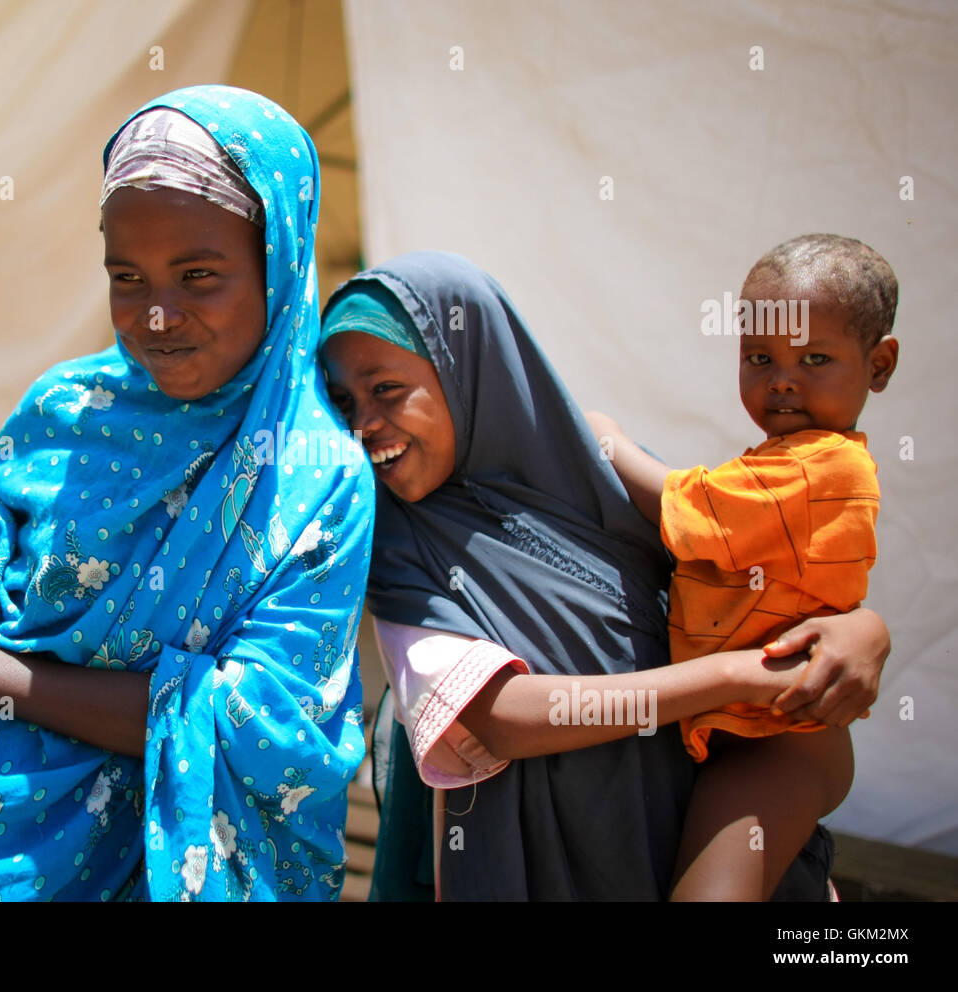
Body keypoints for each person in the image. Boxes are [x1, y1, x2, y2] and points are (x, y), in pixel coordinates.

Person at [0, 85, 374, 901]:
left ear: (280, 262)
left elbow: (265, 728)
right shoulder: (66, 412)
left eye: (199, 276)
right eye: (127, 277)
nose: (158, 315)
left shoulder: (319, 478)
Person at [318, 251, 890, 900]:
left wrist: (861, 627)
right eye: (342, 401)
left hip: (705, 829)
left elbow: (749, 576)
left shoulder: (599, 475)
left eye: (386, 389)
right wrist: (727, 678)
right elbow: (498, 717)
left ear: (467, 367)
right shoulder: (400, 545)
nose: (363, 423)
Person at [587, 233, 899, 900]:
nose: (781, 378)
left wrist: (608, 441)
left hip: (780, 739)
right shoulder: (778, 458)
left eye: (815, 358)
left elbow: (684, 510)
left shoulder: (827, 466)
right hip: (745, 728)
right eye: (759, 357)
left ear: (880, 365)